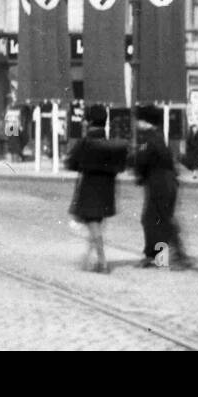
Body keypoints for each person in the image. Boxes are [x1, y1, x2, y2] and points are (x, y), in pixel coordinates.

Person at [65, 105, 129, 273]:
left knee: (93, 224)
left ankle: (102, 262)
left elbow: (71, 163)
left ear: (89, 122)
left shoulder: (85, 143)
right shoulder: (113, 144)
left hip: (89, 189)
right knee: (96, 225)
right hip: (108, 189)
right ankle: (87, 259)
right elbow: (122, 165)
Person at [134, 104, 192, 269]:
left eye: (140, 120)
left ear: (145, 122)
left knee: (160, 220)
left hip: (159, 185)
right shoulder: (156, 137)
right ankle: (157, 255)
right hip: (164, 183)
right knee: (156, 220)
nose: (137, 124)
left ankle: (175, 257)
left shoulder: (150, 139)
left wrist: (139, 174)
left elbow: (142, 161)